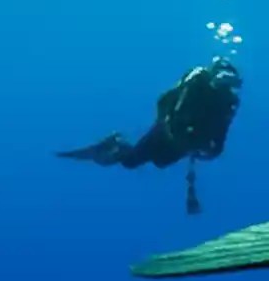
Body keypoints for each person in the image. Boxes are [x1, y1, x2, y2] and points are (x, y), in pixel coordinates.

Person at [56, 56, 243, 215]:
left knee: (159, 163)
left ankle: (119, 147)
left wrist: (209, 150)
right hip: (167, 131)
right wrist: (174, 130)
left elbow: (221, 132)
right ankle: (115, 144)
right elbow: (172, 108)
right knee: (131, 162)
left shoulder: (228, 102)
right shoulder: (197, 84)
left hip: (184, 144)